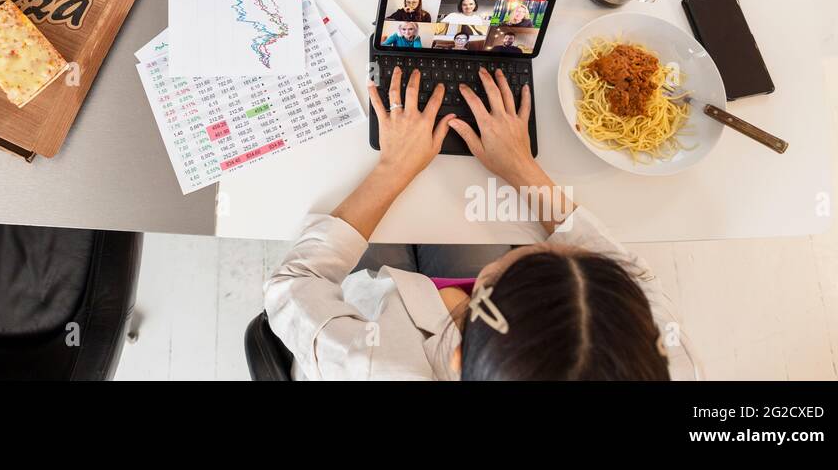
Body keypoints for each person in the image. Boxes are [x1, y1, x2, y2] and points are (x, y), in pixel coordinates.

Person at [263, 65, 697, 380]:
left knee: (381, 250)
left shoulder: (376, 369)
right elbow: (632, 275)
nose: (553, 243)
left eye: (527, 261)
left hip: (369, 321)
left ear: (459, 360)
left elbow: (295, 284)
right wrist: (522, 169)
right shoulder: (662, 360)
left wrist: (393, 169)